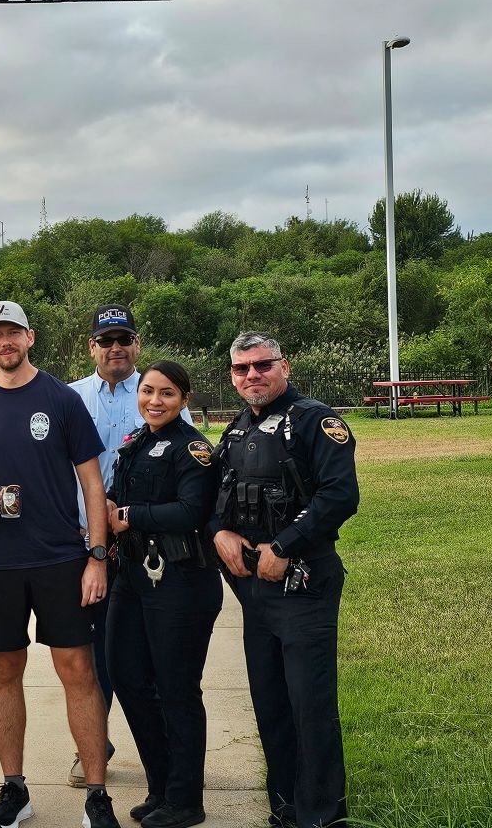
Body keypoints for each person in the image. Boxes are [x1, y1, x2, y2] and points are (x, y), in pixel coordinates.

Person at [0, 301, 121, 828]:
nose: (5, 341)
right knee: (3, 671)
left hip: (60, 557)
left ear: (30, 337)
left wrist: (97, 557)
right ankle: (14, 788)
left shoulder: (59, 399)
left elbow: (92, 482)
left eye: (13, 332)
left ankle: (98, 795)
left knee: (78, 670)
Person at [210, 333, 359, 828]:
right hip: (255, 590)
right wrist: (220, 532)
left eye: (261, 365)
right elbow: (211, 497)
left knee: (309, 702)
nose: (252, 375)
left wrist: (285, 546)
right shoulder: (235, 431)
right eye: (241, 369)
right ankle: (285, 808)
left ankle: (320, 815)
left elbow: (339, 496)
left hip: (303, 582)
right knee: (270, 702)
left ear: (284, 367)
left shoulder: (317, 420)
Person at [104, 361, 223, 828]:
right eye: (148, 391)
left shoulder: (192, 449)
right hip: (132, 576)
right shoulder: (136, 443)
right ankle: (160, 787)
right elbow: (114, 495)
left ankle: (186, 799)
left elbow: (193, 510)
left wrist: (131, 513)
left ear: (184, 400)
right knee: (128, 678)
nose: (154, 401)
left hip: (180, 580)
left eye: (167, 393)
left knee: (176, 690)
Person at [65, 303, 168, 787]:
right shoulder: (70, 397)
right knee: (88, 654)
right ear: (91, 347)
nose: (115, 348)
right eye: (105, 340)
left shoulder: (156, 391)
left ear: (136, 344)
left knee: (138, 652)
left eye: (123, 339)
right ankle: (94, 747)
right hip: (81, 543)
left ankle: (163, 756)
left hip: (139, 543)